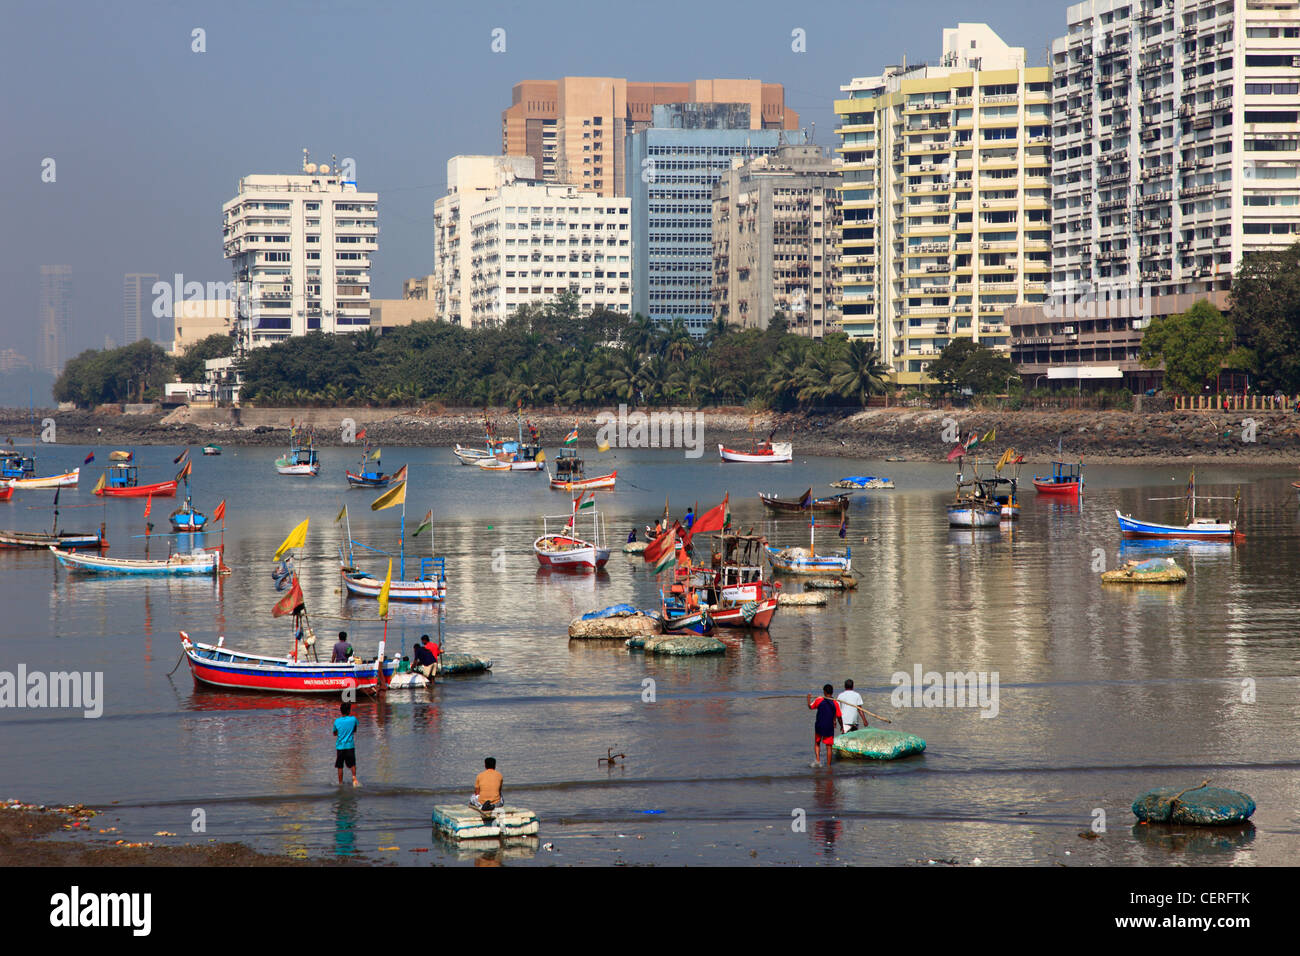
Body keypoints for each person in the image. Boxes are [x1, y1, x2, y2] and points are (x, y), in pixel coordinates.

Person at [806, 684, 843, 767]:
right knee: (829, 746)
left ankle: (818, 760)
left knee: (817, 743)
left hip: (819, 725)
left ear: (824, 692)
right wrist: (841, 726)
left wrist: (808, 699)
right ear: (832, 692)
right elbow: (839, 717)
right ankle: (829, 765)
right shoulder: (835, 702)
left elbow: (810, 707)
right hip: (829, 727)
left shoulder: (819, 699)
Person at [333, 701, 360, 787]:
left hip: (340, 747)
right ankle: (354, 778)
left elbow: (334, 733)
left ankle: (340, 783)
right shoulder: (353, 719)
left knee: (340, 766)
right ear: (349, 711)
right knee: (352, 764)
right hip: (350, 746)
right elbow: (355, 730)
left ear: (341, 711)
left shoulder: (337, 721)